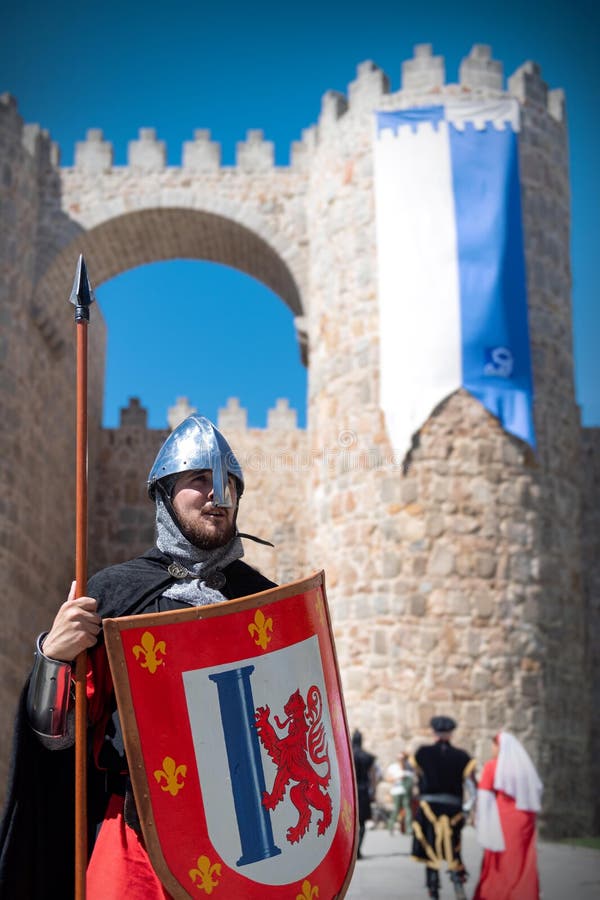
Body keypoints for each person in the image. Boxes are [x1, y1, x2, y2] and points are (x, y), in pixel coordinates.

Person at [0, 415, 277, 900]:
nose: (218, 494)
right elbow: (61, 737)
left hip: (249, 834)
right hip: (138, 834)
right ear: (166, 495)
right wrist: (54, 659)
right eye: (200, 480)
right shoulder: (117, 592)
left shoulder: (264, 602)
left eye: (227, 483)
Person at [411, 715, 475, 900]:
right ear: (451, 733)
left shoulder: (422, 753)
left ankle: (433, 891)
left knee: (430, 850)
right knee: (454, 849)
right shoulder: (462, 756)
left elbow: (417, 776)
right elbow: (471, 786)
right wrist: (468, 807)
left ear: (433, 732)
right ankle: (457, 884)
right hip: (453, 809)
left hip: (429, 808)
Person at [473, 731, 543, 900]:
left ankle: (496, 892)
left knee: (500, 858)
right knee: (522, 858)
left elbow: (484, 794)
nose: (492, 749)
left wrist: (481, 820)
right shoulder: (523, 768)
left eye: (494, 745)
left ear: (499, 746)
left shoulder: (493, 766)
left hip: (503, 818)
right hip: (524, 818)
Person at [352, 729, 377, 859]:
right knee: (361, 823)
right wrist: (373, 792)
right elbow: (373, 776)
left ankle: (351, 851)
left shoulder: (348, 755)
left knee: (350, 822)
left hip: (351, 791)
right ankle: (358, 850)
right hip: (363, 791)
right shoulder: (368, 757)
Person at [386, 750, 414, 834]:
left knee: (407, 810)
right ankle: (390, 826)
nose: (401, 760)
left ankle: (408, 828)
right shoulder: (393, 767)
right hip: (396, 791)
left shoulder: (409, 768)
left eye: (403, 758)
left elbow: (412, 780)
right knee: (396, 810)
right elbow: (388, 779)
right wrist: (397, 778)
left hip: (406, 792)